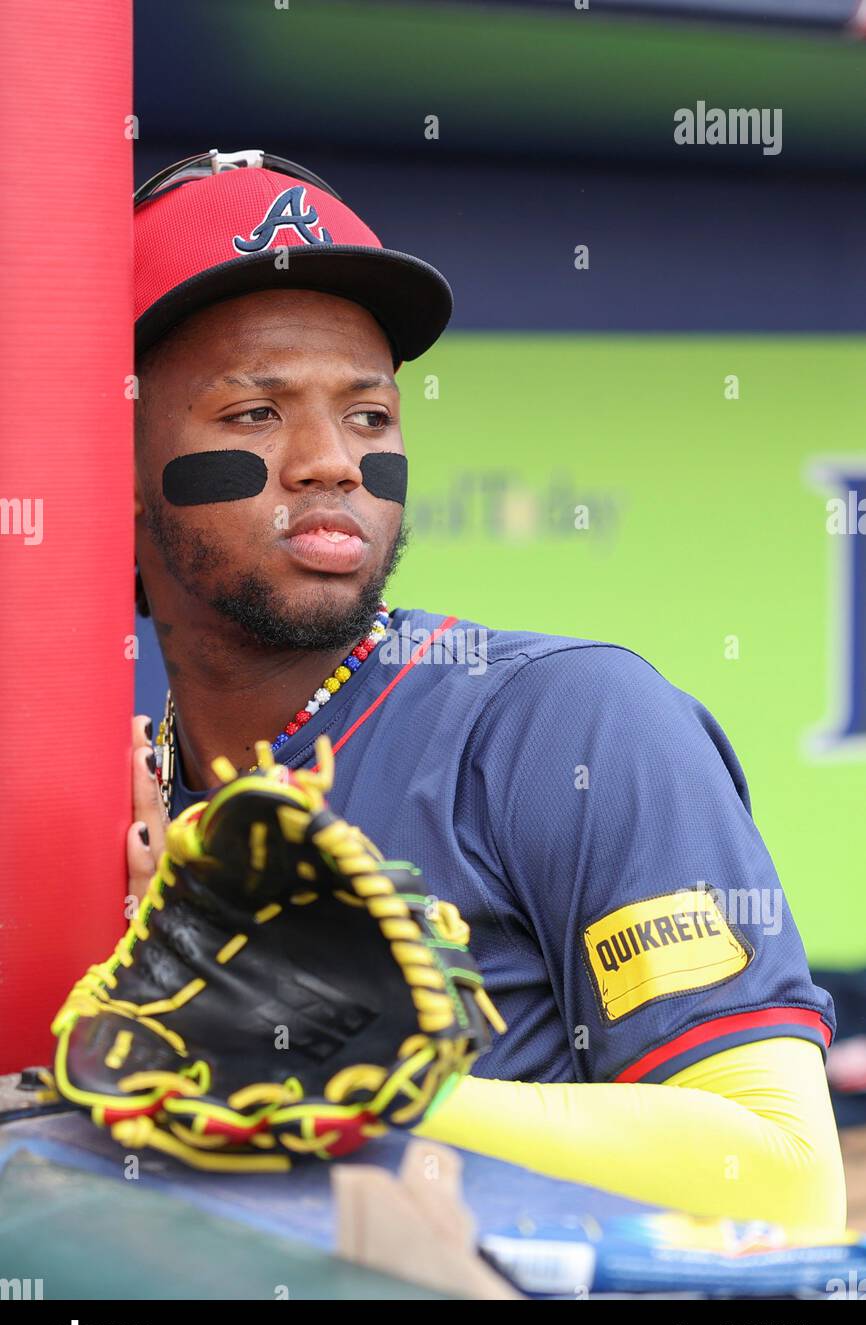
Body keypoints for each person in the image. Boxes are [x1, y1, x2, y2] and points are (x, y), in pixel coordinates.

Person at [129, 150, 845, 1228]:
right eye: (255, 414)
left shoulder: (566, 720)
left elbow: (781, 1176)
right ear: (110, 455)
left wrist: (346, 1081)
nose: (331, 461)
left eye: (368, 415)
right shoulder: (112, 801)